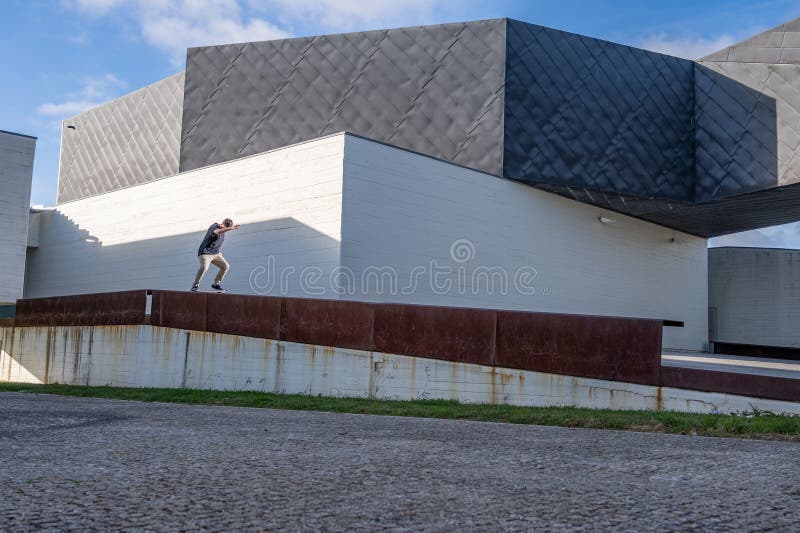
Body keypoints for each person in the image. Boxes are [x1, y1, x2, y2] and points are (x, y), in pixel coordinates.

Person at [191, 218, 240, 292]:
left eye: (225, 227)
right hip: (205, 253)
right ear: (222, 223)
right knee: (204, 267)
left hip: (216, 254)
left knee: (225, 266)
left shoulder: (224, 232)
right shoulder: (214, 226)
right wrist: (230, 228)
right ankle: (195, 285)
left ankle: (216, 284)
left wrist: (218, 253)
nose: (224, 228)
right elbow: (217, 232)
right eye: (223, 226)